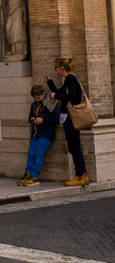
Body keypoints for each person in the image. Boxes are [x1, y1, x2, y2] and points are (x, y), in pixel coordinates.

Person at [46, 57, 90, 186]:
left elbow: (74, 97)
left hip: (71, 117)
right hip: (68, 117)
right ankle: (81, 174)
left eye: (56, 67)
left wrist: (57, 96)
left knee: (74, 146)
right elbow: (60, 92)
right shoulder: (69, 79)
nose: (56, 70)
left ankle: (81, 175)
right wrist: (50, 83)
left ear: (62, 68)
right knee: (73, 145)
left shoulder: (71, 78)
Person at [18, 85, 59, 186]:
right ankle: (28, 173)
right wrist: (32, 119)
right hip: (35, 133)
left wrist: (43, 120)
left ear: (43, 94)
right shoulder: (34, 104)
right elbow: (30, 117)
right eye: (35, 98)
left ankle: (35, 176)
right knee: (31, 153)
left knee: (39, 154)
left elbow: (57, 119)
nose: (37, 99)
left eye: (38, 97)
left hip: (46, 133)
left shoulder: (50, 103)